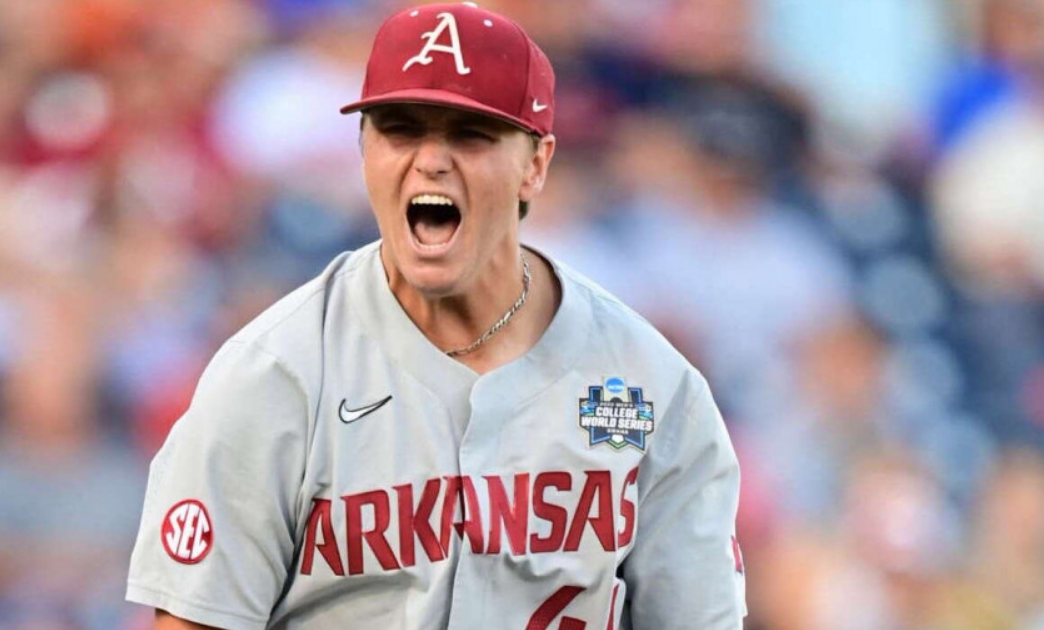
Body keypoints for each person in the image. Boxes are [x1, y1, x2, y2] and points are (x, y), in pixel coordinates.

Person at [126, 3, 747, 629]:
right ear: (363, 148)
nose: (431, 160)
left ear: (535, 163)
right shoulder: (276, 373)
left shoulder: (651, 383)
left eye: (469, 134)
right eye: (400, 130)